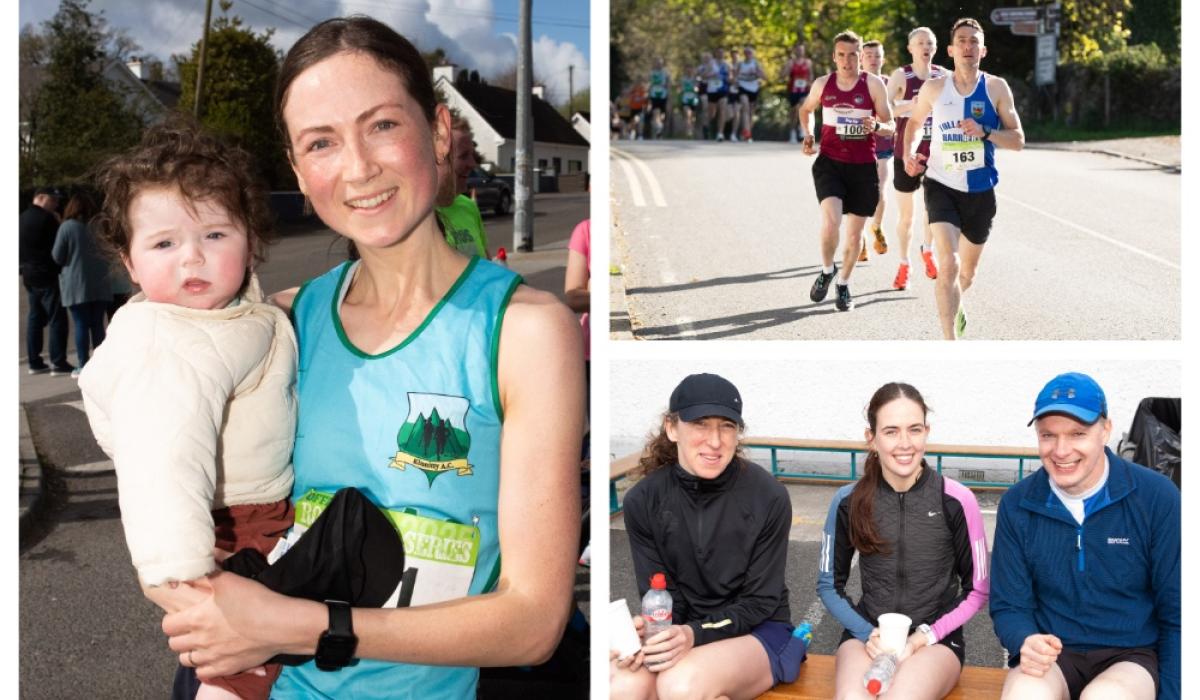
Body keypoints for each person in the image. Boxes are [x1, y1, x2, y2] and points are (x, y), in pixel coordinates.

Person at [159, 17, 584, 699]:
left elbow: (532, 621)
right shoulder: (283, 325)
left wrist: (303, 624)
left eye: (382, 125)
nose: (358, 168)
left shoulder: (526, 332)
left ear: (440, 133)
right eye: (321, 142)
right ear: (299, 171)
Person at [81, 120, 408, 700]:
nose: (192, 261)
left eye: (215, 235)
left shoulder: (227, 318)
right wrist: (189, 578)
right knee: (238, 669)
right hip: (230, 528)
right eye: (163, 244)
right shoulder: (170, 342)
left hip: (251, 513)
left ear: (250, 241)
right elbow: (162, 460)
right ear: (129, 263)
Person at [991, 372, 1179, 700]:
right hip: (1052, 652)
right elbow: (1009, 605)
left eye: (1078, 433)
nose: (1061, 450)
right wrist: (1024, 639)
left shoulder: (1156, 497)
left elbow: (1180, 612)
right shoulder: (1017, 504)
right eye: (1048, 435)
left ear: (1105, 430)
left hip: (1130, 656)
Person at [610, 373, 795, 700]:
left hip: (760, 630)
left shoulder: (768, 496)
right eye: (700, 424)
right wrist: (653, 633)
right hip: (687, 631)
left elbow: (760, 602)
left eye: (727, 426)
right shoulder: (644, 500)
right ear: (671, 428)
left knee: (680, 686)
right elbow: (661, 594)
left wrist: (693, 634)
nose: (715, 441)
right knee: (624, 685)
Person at [817, 382, 989, 699]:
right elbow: (829, 584)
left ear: (927, 432)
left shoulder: (957, 500)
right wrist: (867, 632)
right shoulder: (848, 501)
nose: (905, 443)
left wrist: (924, 636)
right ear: (872, 438)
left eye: (914, 430)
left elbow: (977, 590)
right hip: (868, 634)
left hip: (935, 639)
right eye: (891, 431)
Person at [902, 18, 1024, 339]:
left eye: (974, 42)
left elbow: (1018, 140)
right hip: (941, 184)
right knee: (950, 265)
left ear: (983, 50)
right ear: (951, 49)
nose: (968, 47)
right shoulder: (934, 89)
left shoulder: (996, 88)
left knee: (967, 274)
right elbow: (914, 124)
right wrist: (909, 153)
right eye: (962, 41)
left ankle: (955, 302)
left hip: (982, 191)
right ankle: (949, 343)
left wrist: (986, 131)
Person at [798, 29, 894, 312]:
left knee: (854, 236)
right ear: (834, 57)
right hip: (830, 163)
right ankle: (827, 269)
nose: (847, 61)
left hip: (863, 167)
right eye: (841, 55)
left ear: (861, 57)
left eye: (853, 55)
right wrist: (808, 133)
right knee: (830, 222)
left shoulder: (874, 85)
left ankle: (842, 283)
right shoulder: (823, 84)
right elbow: (806, 110)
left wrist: (876, 126)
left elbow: (891, 126)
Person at [887, 27, 946, 289]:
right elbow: (884, 110)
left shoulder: (944, 76)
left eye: (930, 43)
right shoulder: (901, 75)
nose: (926, 47)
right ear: (910, 48)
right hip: (906, 150)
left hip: (936, 151)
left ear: (935, 48)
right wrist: (914, 104)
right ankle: (904, 264)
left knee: (934, 208)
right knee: (907, 216)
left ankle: (927, 249)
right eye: (920, 43)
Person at [51, 190, 111, 377]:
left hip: (76, 283)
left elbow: (57, 256)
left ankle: (83, 364)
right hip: (101, 281)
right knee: (98, 324)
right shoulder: (100, 226)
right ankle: (101, 363)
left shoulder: (67, 227)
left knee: (81, 324)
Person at [20, 186, 73, 375]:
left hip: (28, 273)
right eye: (54, 200)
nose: (57, 204)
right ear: (41, 198)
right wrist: (58, 223)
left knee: (35, 318)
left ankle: (34, 362)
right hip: (47, 273)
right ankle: (58, 361)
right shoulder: (47, 219)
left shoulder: (22, 217)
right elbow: (57, 248)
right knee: (57, 318)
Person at [435, 115, 489, 258]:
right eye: (463, 156)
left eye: (472, 155)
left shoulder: (468, 207)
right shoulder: (418, 217)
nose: (473, 164)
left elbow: (486, 263)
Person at [861, 40, 891, 262]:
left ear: (883, 59)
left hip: (883, 147)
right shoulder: (853, 83)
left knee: (880, 189)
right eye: (868, 55)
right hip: (857, 148)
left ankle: (877, 228)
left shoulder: (890, 84)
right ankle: (860, 238)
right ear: (861, 59)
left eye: (877, 55)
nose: (873, 59)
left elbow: (898, 112)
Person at [783, 42, 814, 144]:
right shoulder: (791, 62)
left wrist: (811, 85)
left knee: (802, 106)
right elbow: (785, 75)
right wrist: (787, 68)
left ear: (804, 51)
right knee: (793, 113)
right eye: (798, 50)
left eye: (801, 50)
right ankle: (792, 133)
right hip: (793, 90)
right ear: (795, 51)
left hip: (804, 90)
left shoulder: (808, 62)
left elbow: (810, 76)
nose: (800, 52)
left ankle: (802, 129)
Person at [735, 46, 765, 142]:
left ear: (753, 54)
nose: (748, 54)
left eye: (750, 52)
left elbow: (764, 76)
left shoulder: (756, 64)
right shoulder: (740, 64)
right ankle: (747, 133)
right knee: (745, 107)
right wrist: (735, 81)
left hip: (753, 89)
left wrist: (757, 73)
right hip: (742, 87)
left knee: (750, 113)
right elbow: (734, 76)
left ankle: (747, 132)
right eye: (746, 52)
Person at [648, 57, 670, 140]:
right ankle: (658, 128)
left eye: (660, 63)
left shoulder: (666, 73)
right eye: (657, 63)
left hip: (663, 95)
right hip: (654, 94)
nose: (659, 64)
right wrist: (648, 95)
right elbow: (649, 83)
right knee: (655, 112)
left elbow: (668, 84)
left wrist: (669, 95)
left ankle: (660, 129)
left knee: (662, 115)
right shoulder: (651, 73)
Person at [678, 71, 700, 139]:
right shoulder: (683, 79)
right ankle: (688, 131)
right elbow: (680, 89)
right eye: (687, 69)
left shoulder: (696, 79)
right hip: (685, 99)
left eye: (690, 69)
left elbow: (697, 89)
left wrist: (695, 88)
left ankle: (692, 130)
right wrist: (681, 90)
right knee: (688, 114)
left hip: (695, 99)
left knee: (693, 116)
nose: (689, 71)